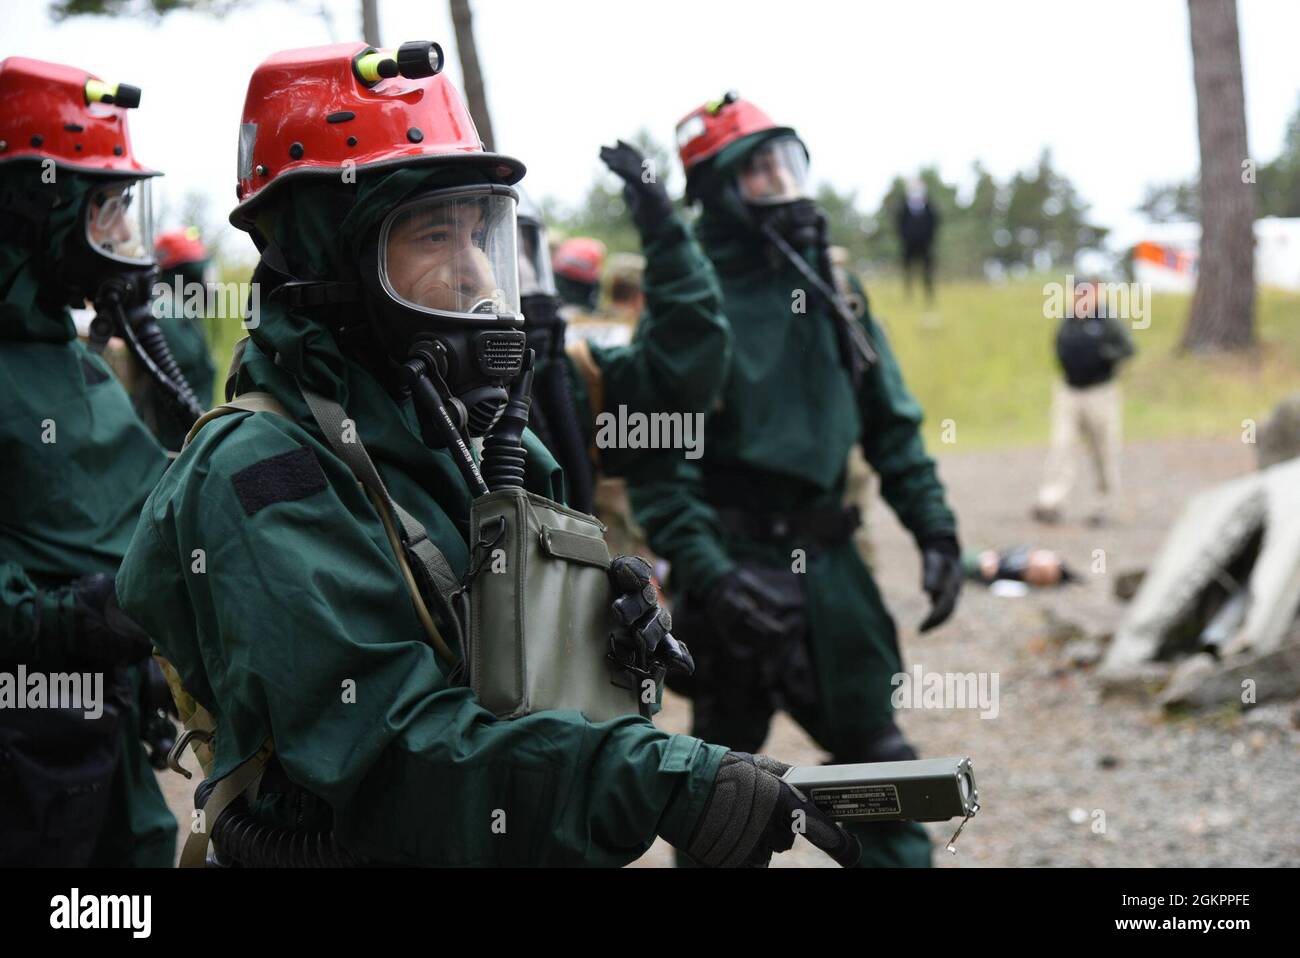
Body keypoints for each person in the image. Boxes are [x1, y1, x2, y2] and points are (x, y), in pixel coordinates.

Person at [117, 42, 857, 869]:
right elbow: (385, 755)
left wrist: (605, 637)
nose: (475, 275)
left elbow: (516, 699)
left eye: (481, 234)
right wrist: (656, 780)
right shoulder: (262, 469)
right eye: (436, 236)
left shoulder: (457, 436)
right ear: (328, 253)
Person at [630, 92, 964, 867]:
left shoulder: (837, 290)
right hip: (734, 572)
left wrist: (935, 527)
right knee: (722, 811)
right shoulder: (689, 304)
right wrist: (710, 577)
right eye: (760, 173)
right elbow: (657, 464)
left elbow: (892, 423)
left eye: (791, 164)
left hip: (836, 573)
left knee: (886, 780)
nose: (786, 186)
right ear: (716, 192)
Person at [0, 55, 178, 866]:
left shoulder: (77, 360)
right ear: (37, 208)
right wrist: (63, 619)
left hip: (106, 731)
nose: (117, 238)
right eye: (100, 208)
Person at [1032, 278, 1135, 527]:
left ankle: (1104, 504)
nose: (1082, 298)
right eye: (1078, 293)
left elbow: (1127, 349)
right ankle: (1051, 501)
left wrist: (1103, 357)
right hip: (1069, 391)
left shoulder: (1106, 321)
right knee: (1061, 445)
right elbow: (1058, 347)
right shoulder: (1069, 321)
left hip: (1099, 392)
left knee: (1103, 448)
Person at [896, 177, 939, 304]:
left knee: (927, 272)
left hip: (925, 244)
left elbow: (934, 223)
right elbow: (899, 224)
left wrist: (930, 238)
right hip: (909, 244)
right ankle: (908, 295)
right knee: (908, 271)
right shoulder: (904, 206)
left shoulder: (929, 206)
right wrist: (904, 237)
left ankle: (928, 296)